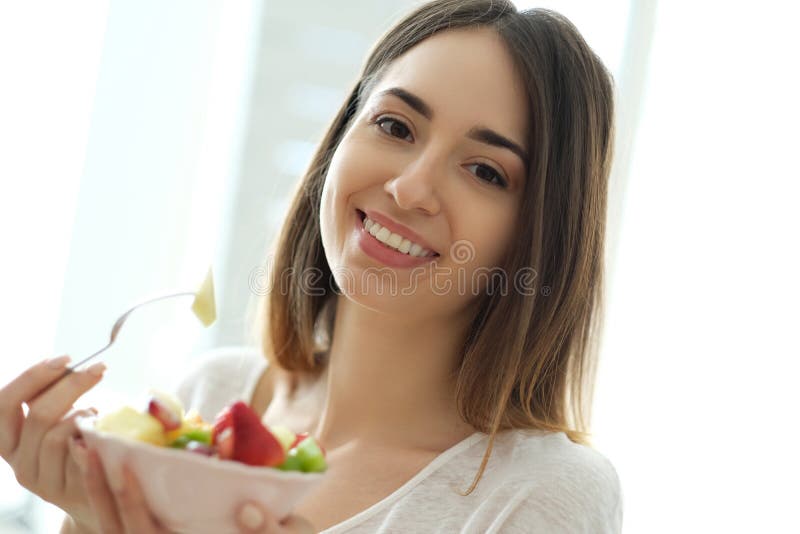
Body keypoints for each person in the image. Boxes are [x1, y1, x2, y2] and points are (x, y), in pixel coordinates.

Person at [0, 0, 620, 532]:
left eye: (486, 171)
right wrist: (87, 517)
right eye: (394, 125)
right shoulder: (211, 395)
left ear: (541, 234)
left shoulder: (545, 493)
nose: (410, 188)